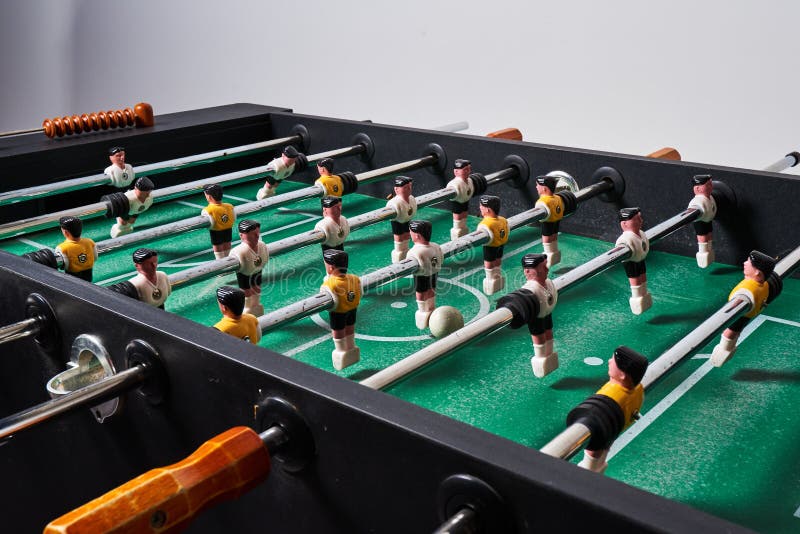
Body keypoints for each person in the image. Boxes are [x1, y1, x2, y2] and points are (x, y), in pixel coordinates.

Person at [571, 346, 649, 474]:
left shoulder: (611, 394)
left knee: (595, 447)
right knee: (607, 442)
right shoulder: (638, 388)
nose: (609, 361)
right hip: (618, 423)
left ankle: (589, 468)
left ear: (622, 375)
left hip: (606, 422)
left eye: (613, 361)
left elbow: (596, 413)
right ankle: (599, 463)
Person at [710, 250, 776, 366]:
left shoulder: (748, 289)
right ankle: (727, 349)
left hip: (744, 312)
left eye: (749, 262)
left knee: (730, 332)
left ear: (757, 272)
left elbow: (732, 307)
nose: (744, 263)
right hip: (752, 311)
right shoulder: (763, 284)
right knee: (736, 330)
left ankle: (723, 352)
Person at [319, 249, 362, 369]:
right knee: (350, 328)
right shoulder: (354, 278)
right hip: (352, 309)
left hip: (338, 312)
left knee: (338, 331)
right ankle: (351, 347)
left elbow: (325, 296)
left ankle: (341, 351)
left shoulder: (329, 284)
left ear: (331, 268)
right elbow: (360, 292)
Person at [520, 253, 559, 377]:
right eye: (542, 267)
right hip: (536, 315)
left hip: (546, 312)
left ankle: (549, 357)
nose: (547, 269)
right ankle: (541, 361)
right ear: (527, 271)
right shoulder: (529, 290)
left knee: (549, 333)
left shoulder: (548, 283)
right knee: (540, 338)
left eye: (545, 266)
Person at [406, 220, 443, 329]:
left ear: (417, 236)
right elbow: (440, 259)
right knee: (431, 289)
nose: (409, 234)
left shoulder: (414, 252)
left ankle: (422, 311)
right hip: (434, 272)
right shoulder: (436, 246)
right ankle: (431, 308)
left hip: (421, 275)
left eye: (411, 232)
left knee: (421, 292)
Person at [615, 207, 652, 314]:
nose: (641, 221)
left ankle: (644, 296)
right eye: (636, 219)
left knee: (643, 278)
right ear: (624, 224)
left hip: (640, 258)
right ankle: (637, 300)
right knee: (636, 281)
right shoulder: (624, 240)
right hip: (631, 262)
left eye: (640, 218)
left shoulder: (641, 233)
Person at [229, 219, 269, 316]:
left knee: (257, 288)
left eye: (257, 232)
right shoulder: (238, 251)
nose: (257, 235)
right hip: (244, 273)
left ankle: (256, 305)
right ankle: (247, 308)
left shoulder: (262, 245)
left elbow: (265, 258)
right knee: (246, 291)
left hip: (257, 271)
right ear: (241, 235)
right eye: (252, 234)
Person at [476, 195, 509, 295]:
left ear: (488, 210)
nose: (480, 208)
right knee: (498, 260)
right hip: (501, 244)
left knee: (489, 263)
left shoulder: (485, 224)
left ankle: (491, 280)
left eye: (481, 206)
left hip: (490, 246)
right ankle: (497, 277)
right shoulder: (503, 220)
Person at [534, 175, 564, 267]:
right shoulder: (558, 198)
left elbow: (537, 214)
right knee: (554, 236)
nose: (536, 187)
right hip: (556, 220)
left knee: (546, 238)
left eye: (537, 185)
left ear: (544, 188)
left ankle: (548, 254)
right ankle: (554, 253)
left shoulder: (542, 201)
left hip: (547, 222)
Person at [687, 174, 717, 268]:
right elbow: (691, 211)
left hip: (708, 219)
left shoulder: (710, 197)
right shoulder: (696, 202)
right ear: (697, 189)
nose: (711, 187)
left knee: (709, 235)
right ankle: (703, 255)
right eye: (707, 185)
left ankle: (709, 252)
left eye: (711, 184)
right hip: (700, 222)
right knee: (703, 238)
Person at [386, 176, 418, 262]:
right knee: (399, 237)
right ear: (396, 189)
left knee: (407, 234)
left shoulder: (411, 198)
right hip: (397, 222)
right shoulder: (393, 203)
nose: (409, 189)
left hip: (407, 219)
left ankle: (405, 250)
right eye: (406, 187)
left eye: (410, 187)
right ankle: (399, 253)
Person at [56, 216, 97, 282]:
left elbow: (65, 265)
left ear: (65, 232)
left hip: (72, 276)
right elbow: (95, 257)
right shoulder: (90, 242)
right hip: (88, 273)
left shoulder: (62, 248)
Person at [200, 183, 235, 259]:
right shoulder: (229, 206)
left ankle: (220, 262)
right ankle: (229, 261)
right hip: (228, 229)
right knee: (227, 244)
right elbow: (234, 217)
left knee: (218, 247)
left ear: (209, 196)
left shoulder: (207, 210)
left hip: (215, 232)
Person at [446, 159, 476, 240]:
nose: (468, 171)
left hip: (465, 200)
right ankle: (457, 231)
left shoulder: (469, 180)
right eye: (465, 170)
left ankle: (463, 229)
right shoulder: (454, 183)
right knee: (458, 217)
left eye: (469, 169)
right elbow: (449, 191)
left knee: (465, 214)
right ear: (456, 172)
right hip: (457, 202)